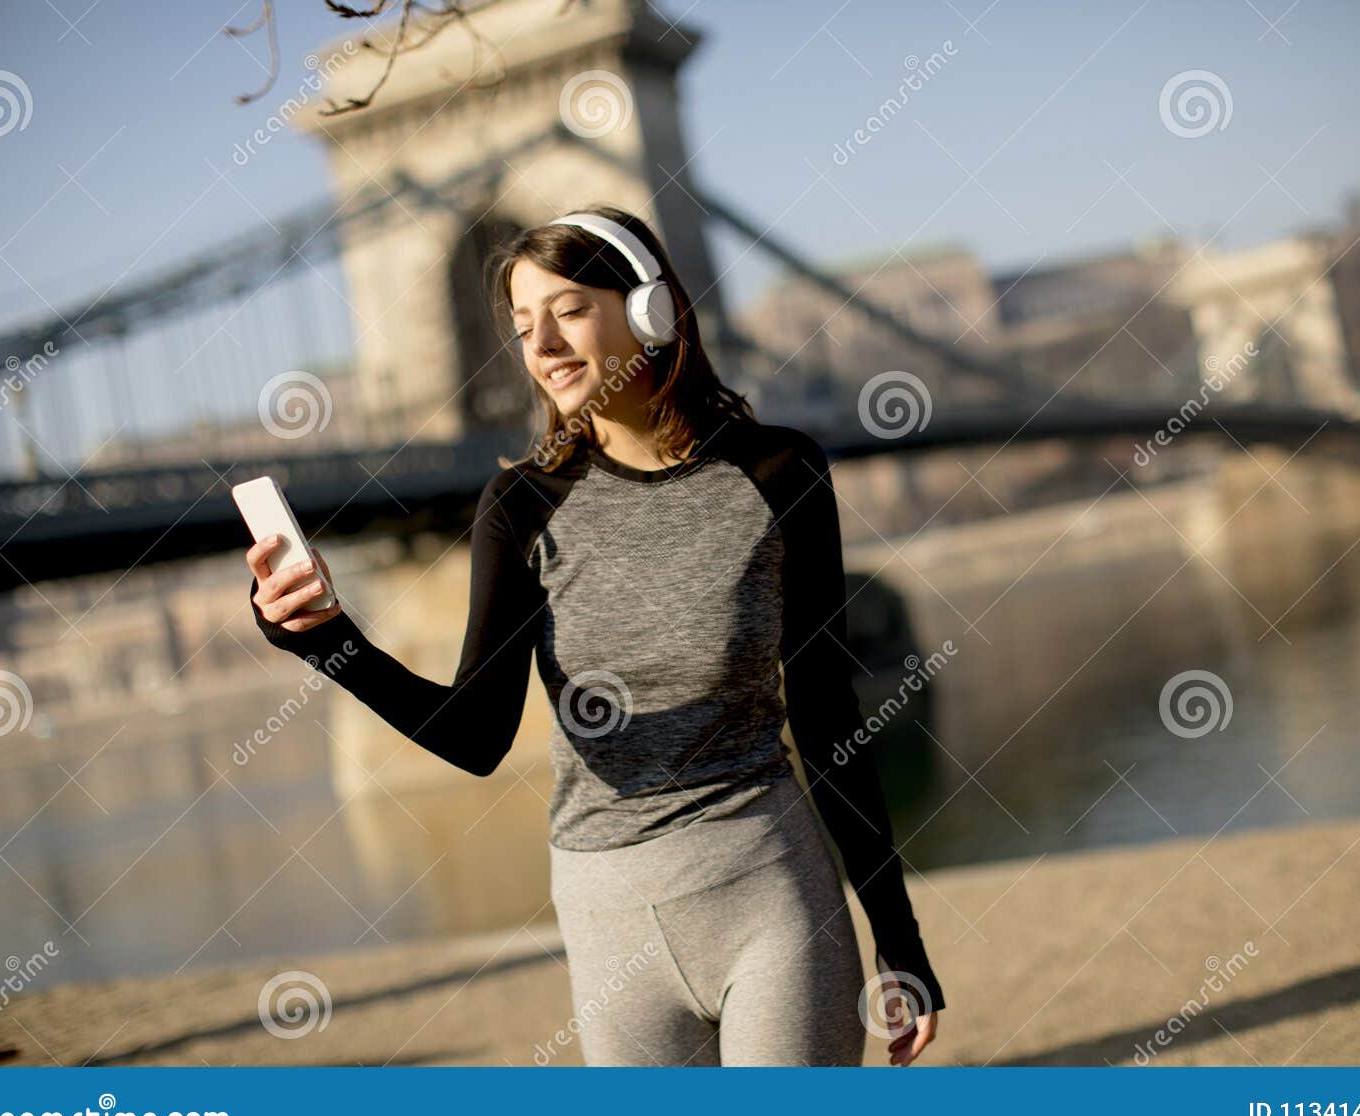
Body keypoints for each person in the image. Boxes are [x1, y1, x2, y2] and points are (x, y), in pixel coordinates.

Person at [245, 205, 945, 1066]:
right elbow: (474, 736)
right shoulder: (522, 508)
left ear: (651, 309)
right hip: (607, 919)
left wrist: (898, 937)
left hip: (771, 892)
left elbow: (830, 713)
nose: (541, 344)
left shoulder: (780, 471)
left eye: (569, 309)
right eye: (522, 325)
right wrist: (324, 640)